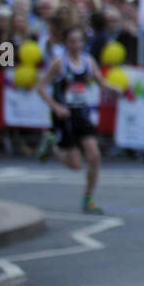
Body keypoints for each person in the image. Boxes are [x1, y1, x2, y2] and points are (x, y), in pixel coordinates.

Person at [36, 26, 107, 214]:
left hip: (82, 114)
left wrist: (115, 89)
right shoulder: (59, 63)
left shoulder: (88, 61)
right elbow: (41, 87)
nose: (76, 45)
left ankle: (89, 198)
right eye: (72, 41)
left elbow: (101, 81)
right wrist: (56, 107)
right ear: (66, 43)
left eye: (79, 41)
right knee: (76, 165)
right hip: (64, 115)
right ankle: (53, 149)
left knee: (94, 156)